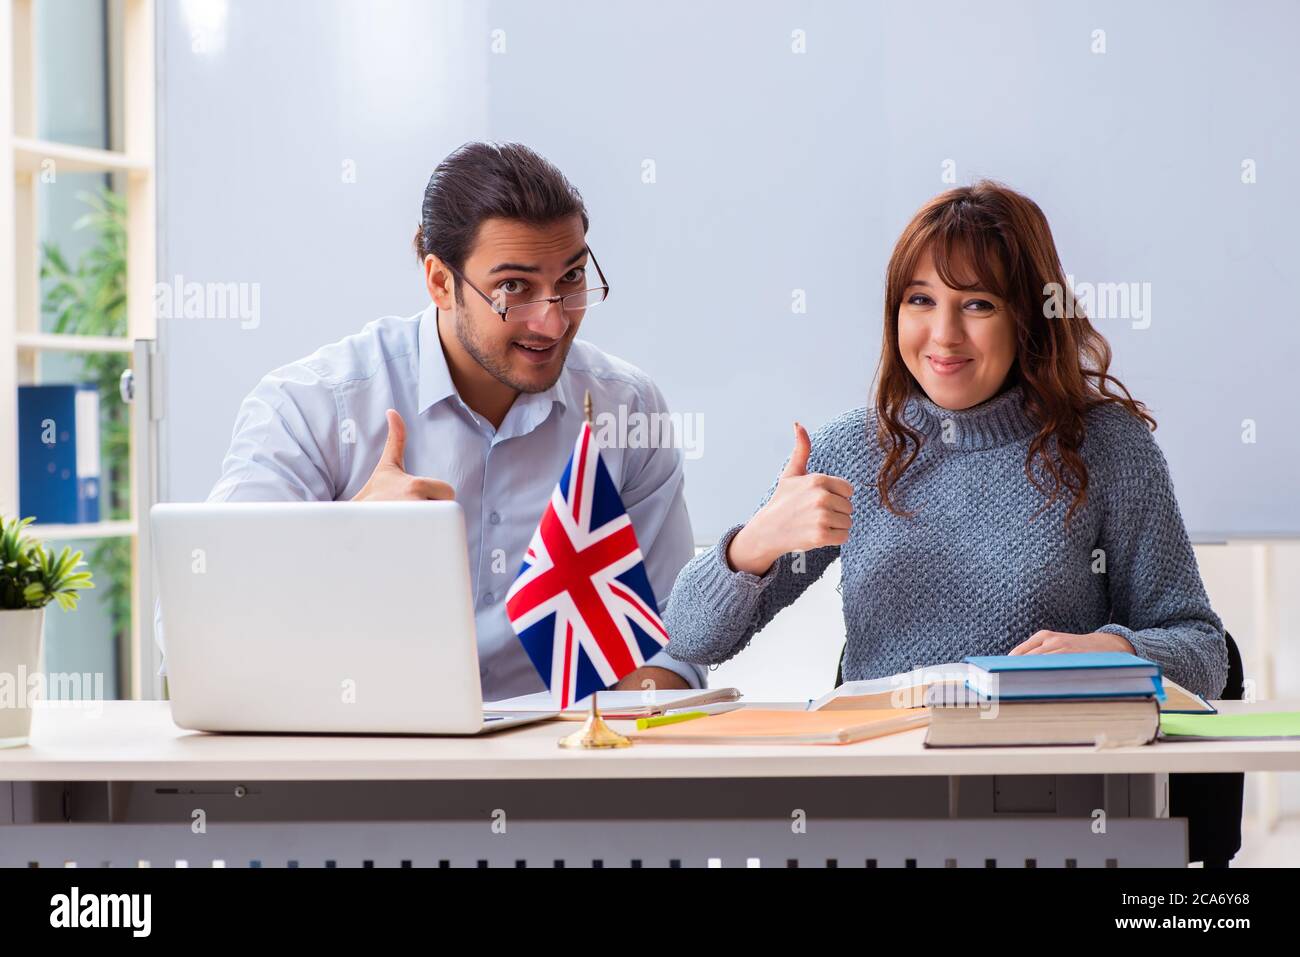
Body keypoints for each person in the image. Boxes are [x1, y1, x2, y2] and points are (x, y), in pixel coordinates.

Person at [161, 142, 703, 699]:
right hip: (366, 757)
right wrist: (339, 538)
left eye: (569, 279)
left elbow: (671, 635)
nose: (551, 321)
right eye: (513, 287)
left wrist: (601, 741)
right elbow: (197, 632)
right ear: (440, 282)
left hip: (565, 760)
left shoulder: (625, 409)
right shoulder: (313, 407)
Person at [663, 180, 1228, 699]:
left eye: (978, 304)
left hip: (1054, 777)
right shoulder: (852, 451)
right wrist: (754, 545)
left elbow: (1204, 652)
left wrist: (1116, 651)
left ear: (1027, 316)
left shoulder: (1106, 446)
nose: (944, 335)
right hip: (889, 782)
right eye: (920, 300)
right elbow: (687, 638)